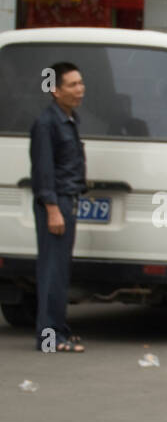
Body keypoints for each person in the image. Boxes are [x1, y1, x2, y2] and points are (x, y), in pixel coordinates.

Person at [29, 61, 87, 353]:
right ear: (54, 90)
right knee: (51, 271)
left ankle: (60, 332)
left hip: (68, 200)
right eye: (72, 85)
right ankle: (49, 338)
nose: (80, 90)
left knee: (61, 272)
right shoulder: (46, 123)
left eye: (80, 83)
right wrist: (52, 207)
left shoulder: (69, 118)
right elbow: (43, 171)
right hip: (56, 204)